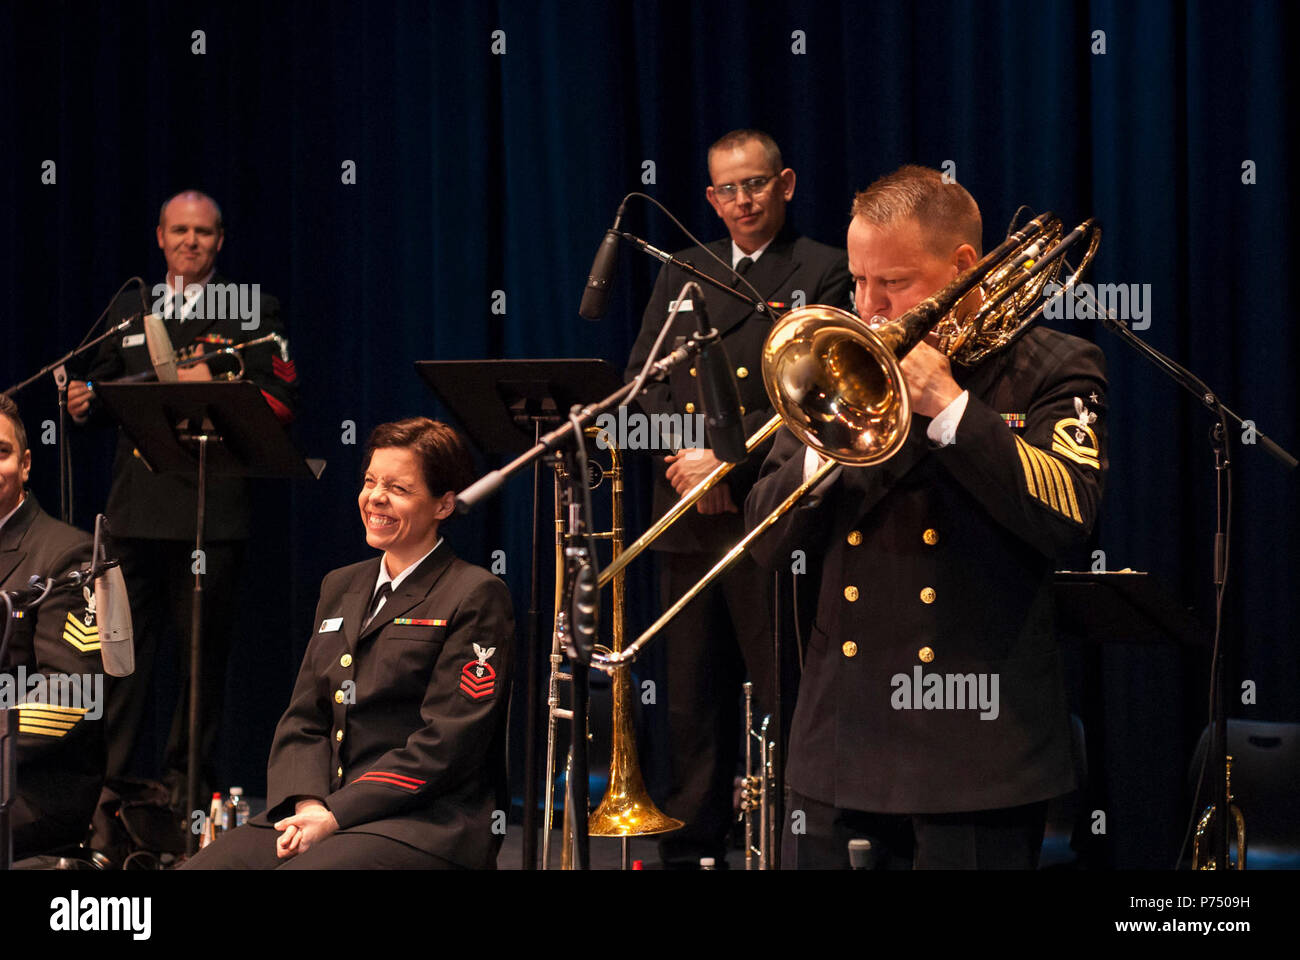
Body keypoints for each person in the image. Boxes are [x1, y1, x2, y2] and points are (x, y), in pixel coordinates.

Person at [745, 165, 1108, 869]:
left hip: (974, 752)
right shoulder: (838, 367)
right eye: (858, 281)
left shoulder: (1053, 364)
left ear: (964, 267)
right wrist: (832, 444)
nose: (871, 308)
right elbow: (763, 538)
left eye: (896, 283)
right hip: (838, 742)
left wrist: (952, 410)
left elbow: (1070, 512)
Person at [625, 130, 850, 867]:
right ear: (710, 199)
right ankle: (692, 844)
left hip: (772, 511)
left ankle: (791, 839)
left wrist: (728, 462)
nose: (741, 201)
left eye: (755, 184)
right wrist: (691, 467)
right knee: (689, 695)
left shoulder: (825, 270)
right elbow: (646, 382)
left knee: (783, 687)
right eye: (726, 189)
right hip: (691, 515)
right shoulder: (681, 271)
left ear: (785, 183)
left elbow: (820, 388)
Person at [183, 418, 514, 869]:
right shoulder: (342, 585)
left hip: (424, 821)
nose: (375, 497)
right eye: (370, 481)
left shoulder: (474, 593)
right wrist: (309, 805)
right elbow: (304, 718)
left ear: (444, 505)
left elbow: (446, 744)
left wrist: (336, 814)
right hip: (323, 809)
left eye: (398, 488)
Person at [65, 190, 299, 803]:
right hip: (135, 512)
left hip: (210, 513)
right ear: (160, 238)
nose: (190, 241)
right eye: (179, 231)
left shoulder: (251, 309)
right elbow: (93, 386)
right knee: (119, 662)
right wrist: (83, 399)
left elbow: (281, 400)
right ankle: (106, 792)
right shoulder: (130, 305)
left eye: (202, 232)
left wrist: (221, 382)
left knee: (201, 668)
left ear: (220, 240)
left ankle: (185, 794)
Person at [0, 395, 107, 859]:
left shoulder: (68, 555)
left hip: (33, 787)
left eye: (0, 452)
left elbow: (70, 693)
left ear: (25, 465)